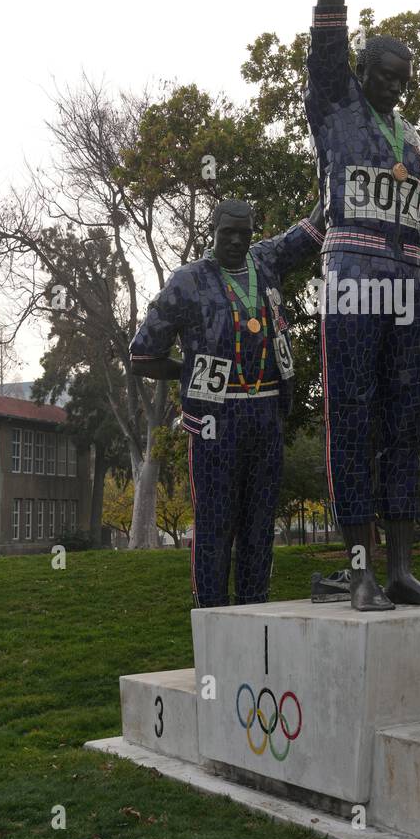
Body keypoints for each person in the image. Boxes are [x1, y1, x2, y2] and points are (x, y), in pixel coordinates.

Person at [304, 0, 420, 611]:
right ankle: (358, 569)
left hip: (403, 287)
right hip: (351, 276)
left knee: (404, 421)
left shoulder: (413, 141)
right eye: (385, 73)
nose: (396, 84)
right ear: (360, 69)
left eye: (405, 77)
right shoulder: (334, 104)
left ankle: (399, 567)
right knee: (353, 418)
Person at [129, 200, 323, 606]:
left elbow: (305, 233)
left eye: (244, 233)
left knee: (259, 523)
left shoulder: (265, 261)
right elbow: (143, 355)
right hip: (215, 421)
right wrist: (190, 370)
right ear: (211, 230)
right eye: (226, 233)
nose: (236, 240)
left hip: (267, 412)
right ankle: (212, 617)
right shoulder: (188, 281)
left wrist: (333, 179)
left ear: (253, 232)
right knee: (215, 522)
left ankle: (254, 610)